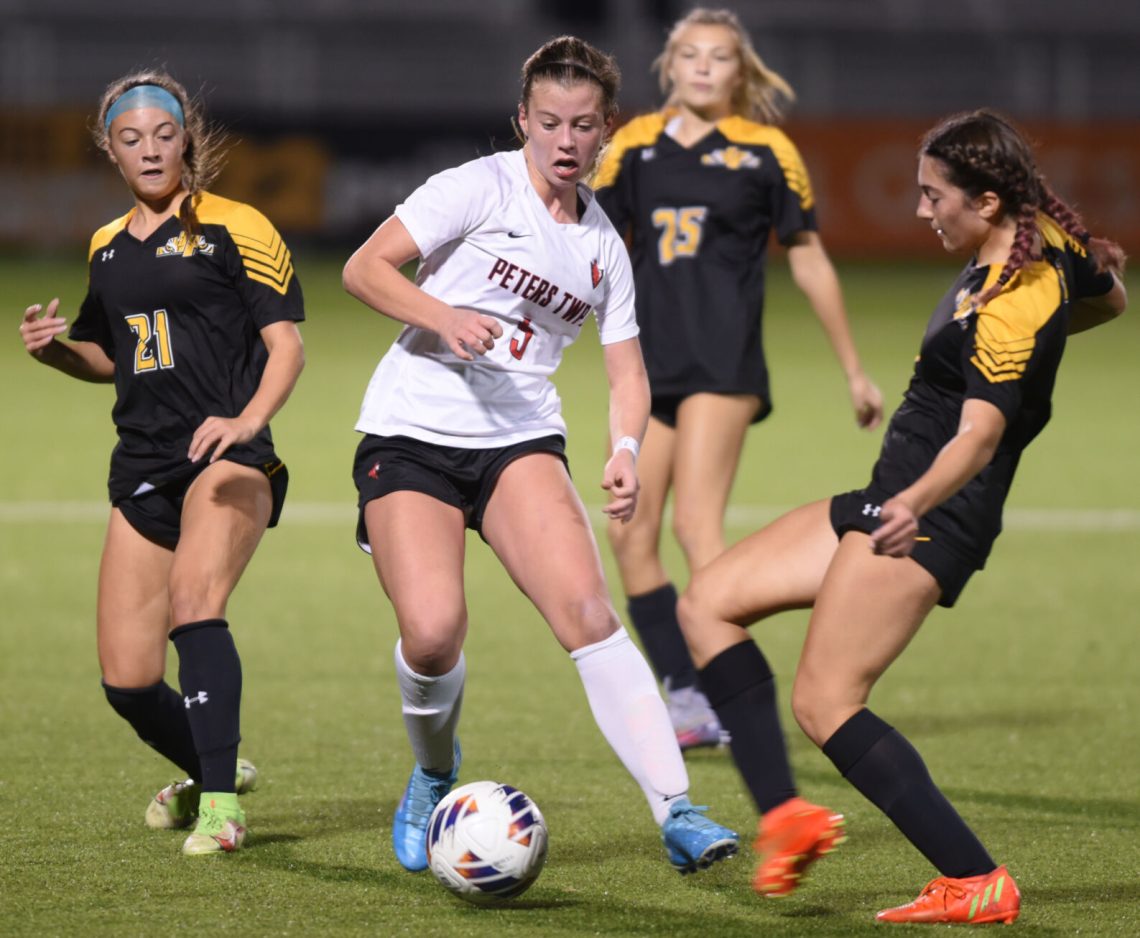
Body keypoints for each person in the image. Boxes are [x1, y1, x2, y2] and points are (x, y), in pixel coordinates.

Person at [676, 108, 1126, 923]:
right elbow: (1109, 299)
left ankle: (974, 877)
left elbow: (982, 434)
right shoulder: (1043, 247)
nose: (921, 211)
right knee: (705, 602)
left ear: (985, 203)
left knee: (826, 701)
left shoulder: (1009, 305)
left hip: (926, 517)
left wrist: (913, 503)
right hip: (892, 496)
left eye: (933, 196)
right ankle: (788, 816)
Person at [342, 35, 739, 877]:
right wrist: (441, 317)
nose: (565, 141)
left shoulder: (602, 246)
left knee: (589, 615)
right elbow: (363, 268)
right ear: (523, 119)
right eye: (550, 122)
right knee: (434, 629)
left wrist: (626, 447)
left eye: (584, 125)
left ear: (606, 132)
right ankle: (434, 772)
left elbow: (627, 369)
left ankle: (679, 809)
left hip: (519, 438)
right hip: (412, 431)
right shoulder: (475, 187)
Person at [18, 71, 305, 856]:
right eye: (131, 137)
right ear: (108, 149)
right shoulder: (106, 246)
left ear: (188, 138)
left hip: (229, 454)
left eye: (163, 133)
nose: (149, 149)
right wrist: (57, 357)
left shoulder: (236, 226)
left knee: (194, 604)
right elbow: (115, 358)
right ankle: (215, 767)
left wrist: (248, 419)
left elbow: (288, 345)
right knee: (129, 682)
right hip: (143, 465)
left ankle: (218, 810)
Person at [592, 7, 882, 749]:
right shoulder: (635, 145)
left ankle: (732, 689)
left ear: (738, 70)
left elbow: (808, 256)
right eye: (689, 54)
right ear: (669, 65)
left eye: (718, 57)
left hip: (724, 361)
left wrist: (852, 367)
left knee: (696, 524)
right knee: (628, 534)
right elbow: (587, 232)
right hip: (651, 363)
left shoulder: (764, 151)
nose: (702, 66)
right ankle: (688, 694)